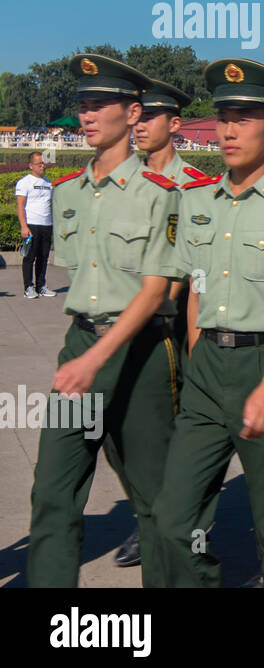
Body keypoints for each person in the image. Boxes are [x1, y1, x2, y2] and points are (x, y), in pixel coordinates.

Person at [153, 59, 264, 587]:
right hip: (207, 366)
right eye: (224, 116)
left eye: (245, 117)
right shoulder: (196, 201)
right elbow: (192, 288)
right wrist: (194, 348)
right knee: (173, 519)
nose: (229, 129)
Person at [27, 55, 184, 587]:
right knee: (53, 489)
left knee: (155, 499)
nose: (87, 115)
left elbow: (156, 289)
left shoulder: (161, 194)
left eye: (100, 105)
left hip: (141, 354)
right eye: (83, 105)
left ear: (132, 112)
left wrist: (96, 358)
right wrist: (85, 352)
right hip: (83, 344)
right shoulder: (68, 193)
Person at [110, 77, 204, 570]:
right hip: (130, 321)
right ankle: (150, 515)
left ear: (175, 123)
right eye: (136, 116)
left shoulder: (196, 187)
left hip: (180, 320)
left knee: (174, 430)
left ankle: (172, 530)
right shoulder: (121, 183)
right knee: (120, 432)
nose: (140, 125)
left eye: (150, 117)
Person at [15, 150, 55, 299]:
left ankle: (41, 285)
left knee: (43, 257)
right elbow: (20, 206)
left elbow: (50, 204)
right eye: (39, 164)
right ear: (31, 165)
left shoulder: (48, 183)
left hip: (46, 225)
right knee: (29, 257)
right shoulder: (24, 183)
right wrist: (24, 226)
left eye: (44, 163)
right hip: (31, 225)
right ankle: (28, 288)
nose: (42, 166)